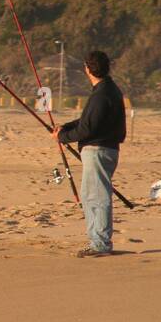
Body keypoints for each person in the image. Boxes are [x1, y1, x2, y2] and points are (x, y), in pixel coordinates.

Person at [53, 50, 126, 257]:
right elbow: (87, 122)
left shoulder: (102, 94)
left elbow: (87, 129)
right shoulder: (108, 90)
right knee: (90, 196)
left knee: (97, 197)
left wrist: (63, 137)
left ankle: (100, 244)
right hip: (103, 149)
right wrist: (65, 129)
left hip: (99, 150)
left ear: (87, 69)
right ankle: (97, 241)